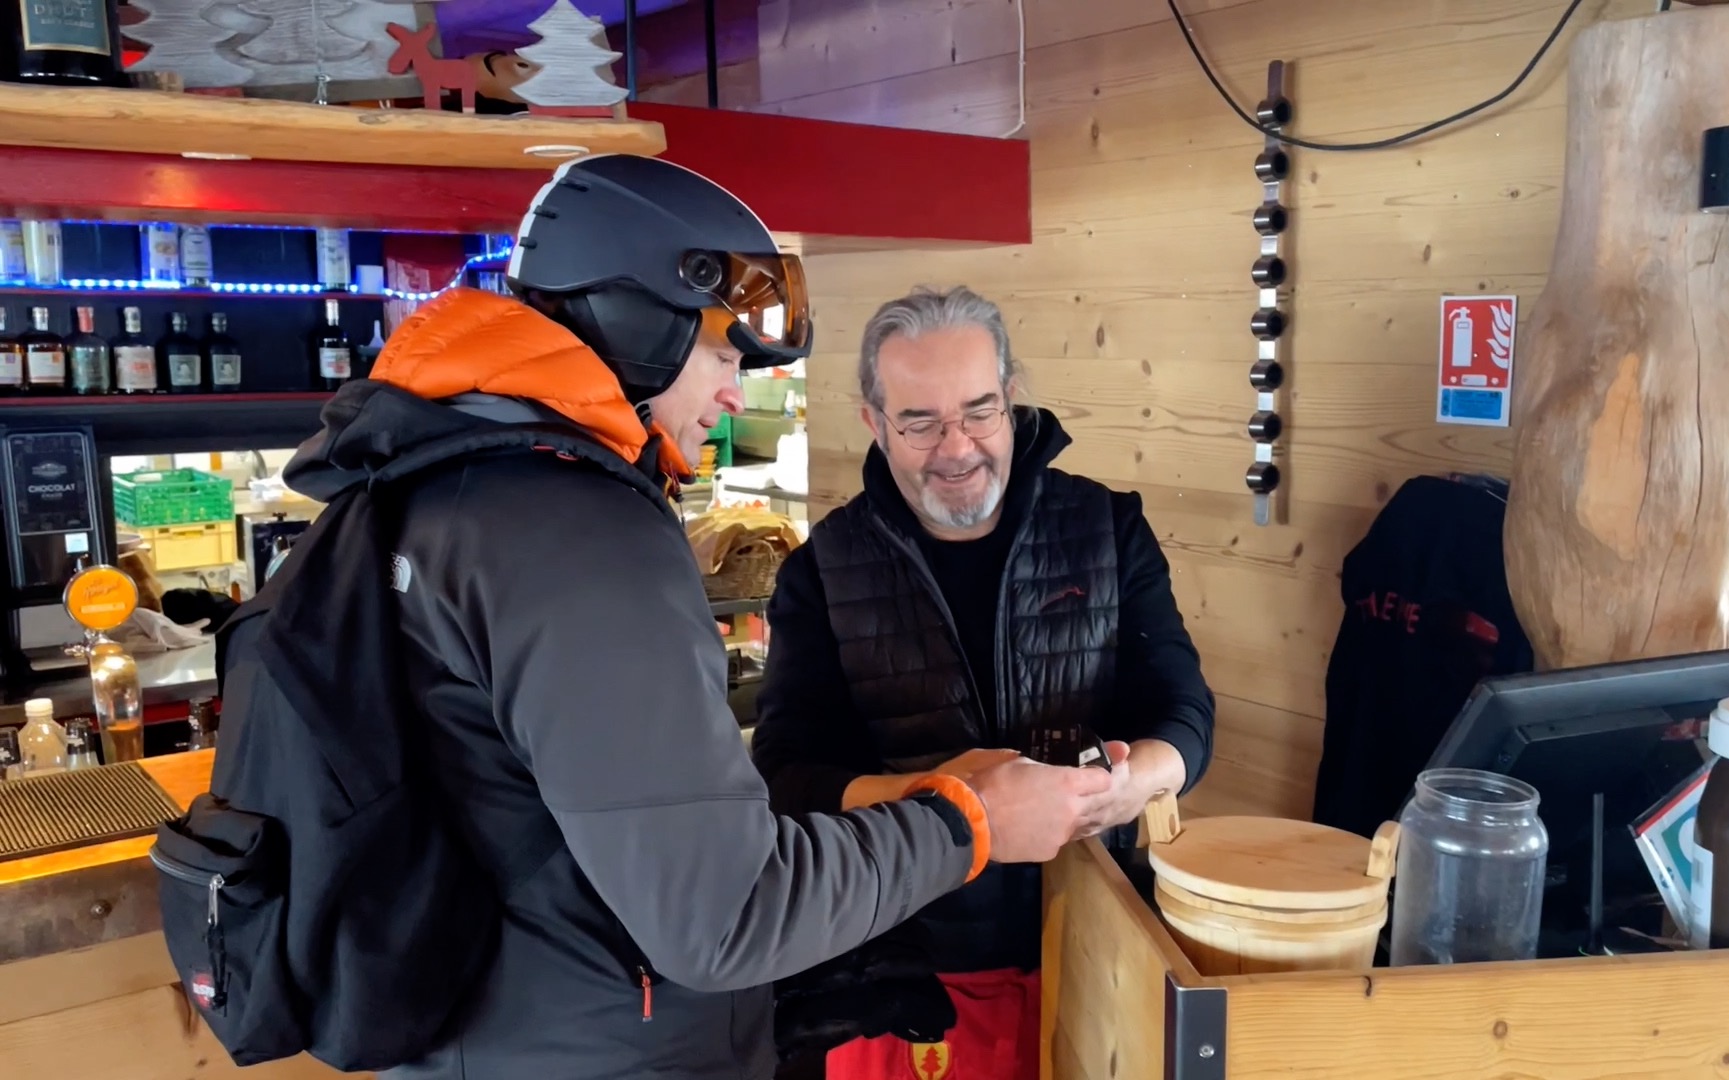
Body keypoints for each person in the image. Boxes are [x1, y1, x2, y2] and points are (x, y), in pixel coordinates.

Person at [228, 158, 1117, 1080]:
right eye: (725, 355)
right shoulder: (574, 532)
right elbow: (725, 918)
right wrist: (969, 823)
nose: (735, 393)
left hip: (497, 1034)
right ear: (641, 327)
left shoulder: (434, 477)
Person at [750, 285, 1216, 1080]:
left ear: (1010, 397)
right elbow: (788, 779)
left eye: (979, 410)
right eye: (920, 421)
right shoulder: (821, 572)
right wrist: (955, 803)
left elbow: (1184, 714)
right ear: (874, 422)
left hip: (1094, 936)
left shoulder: (1108, 527)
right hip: (901, 967)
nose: (958, 447)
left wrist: (1133, 783)